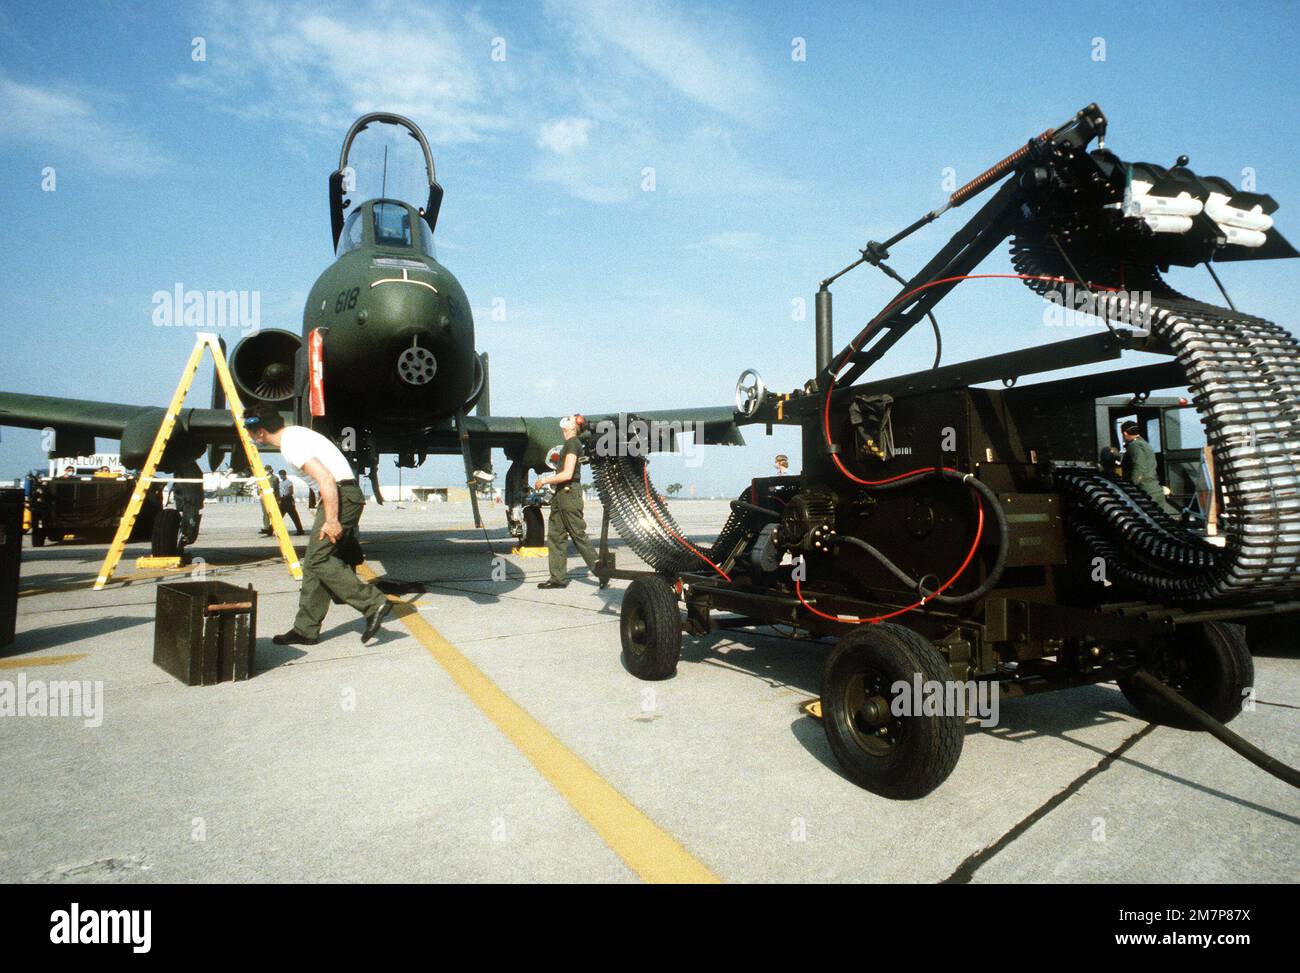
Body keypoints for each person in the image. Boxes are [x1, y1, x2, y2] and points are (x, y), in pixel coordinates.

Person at [242, 404, 391, 645]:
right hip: (341, 496)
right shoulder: (295, 435)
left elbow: (326, 479)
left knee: (319, 559)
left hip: (340, 497)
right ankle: (305, 629)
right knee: (313, 563)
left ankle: (373, 603)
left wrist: (331, 520)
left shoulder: (292, 445)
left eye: (251, 434)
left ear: (259, 433)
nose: (251, 439)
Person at [534, 414, 604, 590]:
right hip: (560, 495)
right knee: (556, 536)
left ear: (573, 427)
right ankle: (557, 579)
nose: (568, 419)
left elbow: (567, 474)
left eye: (572, 419)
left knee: (578, 534)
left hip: (568, 493)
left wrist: (544, 480)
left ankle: (602, 572)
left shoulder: (573, 444)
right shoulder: (568, 444)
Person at [1121, 420, 1179, 515]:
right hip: (1154, 490)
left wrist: (1131, 487)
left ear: (1125, 433)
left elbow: (1139, 466)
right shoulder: (1144, 444)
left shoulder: (1134, 445)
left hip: (1144, 492)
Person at [276, 469, 305, 535]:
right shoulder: (281, 483)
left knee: (294, 516)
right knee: (279, 515)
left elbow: (291, 492)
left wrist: (283, 497)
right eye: (280, 475)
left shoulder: (289, 482)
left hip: (288, 500)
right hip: (283, 500)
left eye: (282, 475)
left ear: (284, 475)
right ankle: (271, 529)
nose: (281, 476)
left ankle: (300, 530)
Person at [258, 464, 277, 535]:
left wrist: (278, 498)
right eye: (265, 470)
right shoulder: (263, 478)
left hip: (272, 497)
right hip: (263, 498)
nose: (266, 471)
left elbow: (277, 489)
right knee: (265, 513)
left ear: (270, 470)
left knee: (273, 513)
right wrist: (259, 493)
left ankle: (274, 528)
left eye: (267, 470)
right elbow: (259, 486)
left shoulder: (275, 478)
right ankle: (266, 527)